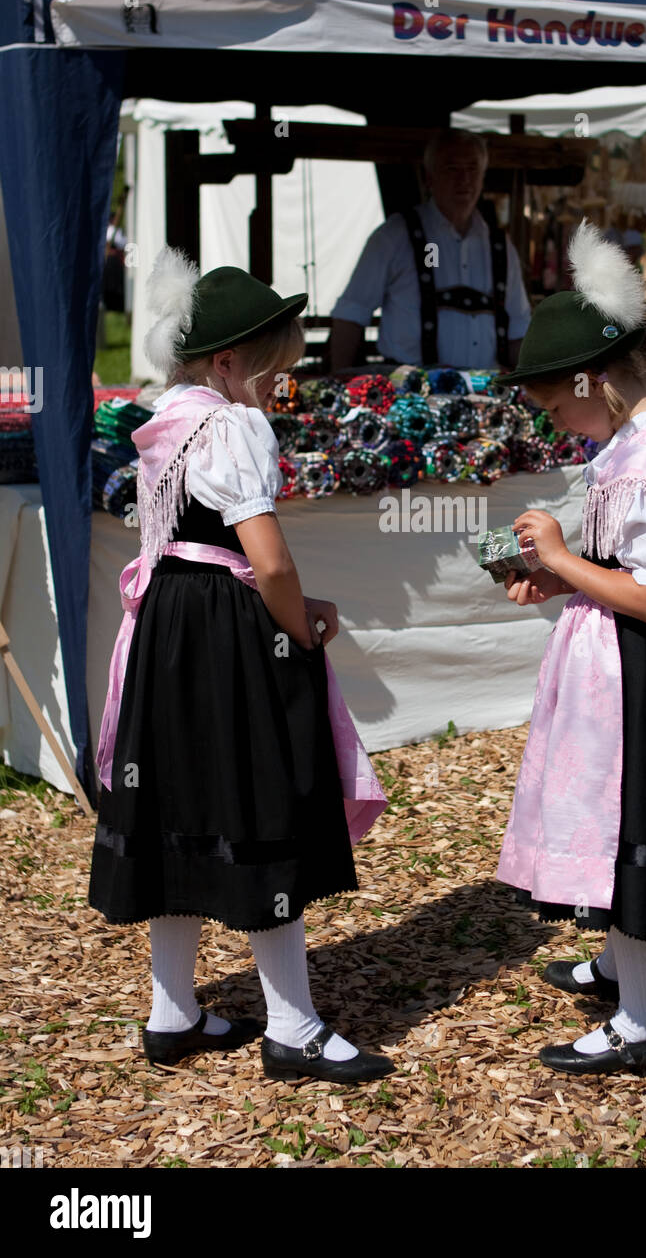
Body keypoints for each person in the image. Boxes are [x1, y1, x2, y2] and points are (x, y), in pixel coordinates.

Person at [89, 247, 394, 1085]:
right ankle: (292, 1026)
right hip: (229, 631)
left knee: (178, 805)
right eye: (269, 373)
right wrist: (301, 625)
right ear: (226, 362)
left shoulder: (168, 421)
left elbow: (192, 544)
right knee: (263, 805)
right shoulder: (232, 423)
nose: (276, 391)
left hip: (168, 627)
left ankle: (172, 1011)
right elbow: (269, 561)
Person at [493, 220, 646, 1077]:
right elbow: (626, 569)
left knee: (628, 830)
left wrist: (561, 557)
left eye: (559, 406)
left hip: (640, 680)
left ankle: (641, 1024)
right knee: (611, 826)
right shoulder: (631, 445)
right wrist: (562, 579)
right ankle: (616, 968)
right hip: (622, 669)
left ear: (595, 378)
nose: (559, 423)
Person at [327, 129, 530, 371]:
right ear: (429, 178)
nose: (463, 179)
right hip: (408, 399)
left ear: (482, 176)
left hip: (486, 396)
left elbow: (519, 329)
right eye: (452, 168)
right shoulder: (394, 237)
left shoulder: (500, 246)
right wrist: (337, 380)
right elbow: (351, 313)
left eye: (472, 169)